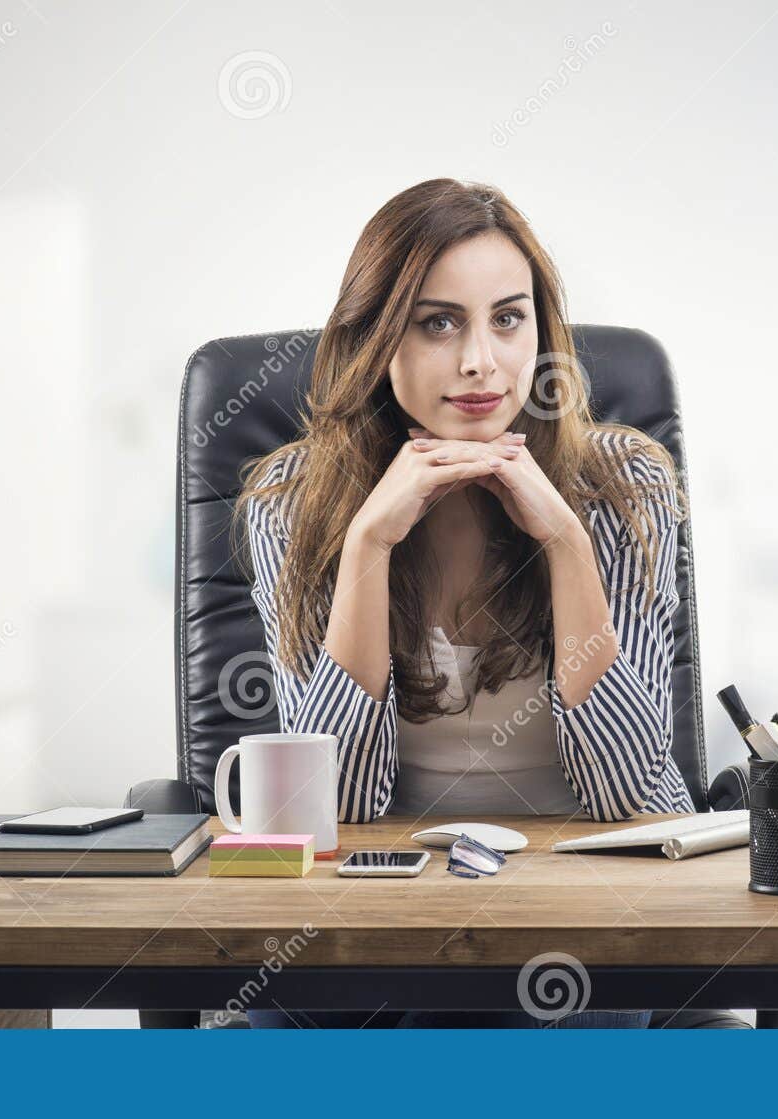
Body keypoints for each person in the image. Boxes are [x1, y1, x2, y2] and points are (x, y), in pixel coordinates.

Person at [234, 178, 724, 1029]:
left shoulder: (627, 487)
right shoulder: (293, 500)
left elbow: (627, 797)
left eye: (508, 318)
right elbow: (337, 808)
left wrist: (568, 544)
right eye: (437, 323)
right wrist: (367, 548)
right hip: (375, 935)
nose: (479, 363)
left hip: (592, 925)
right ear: (375, 340)